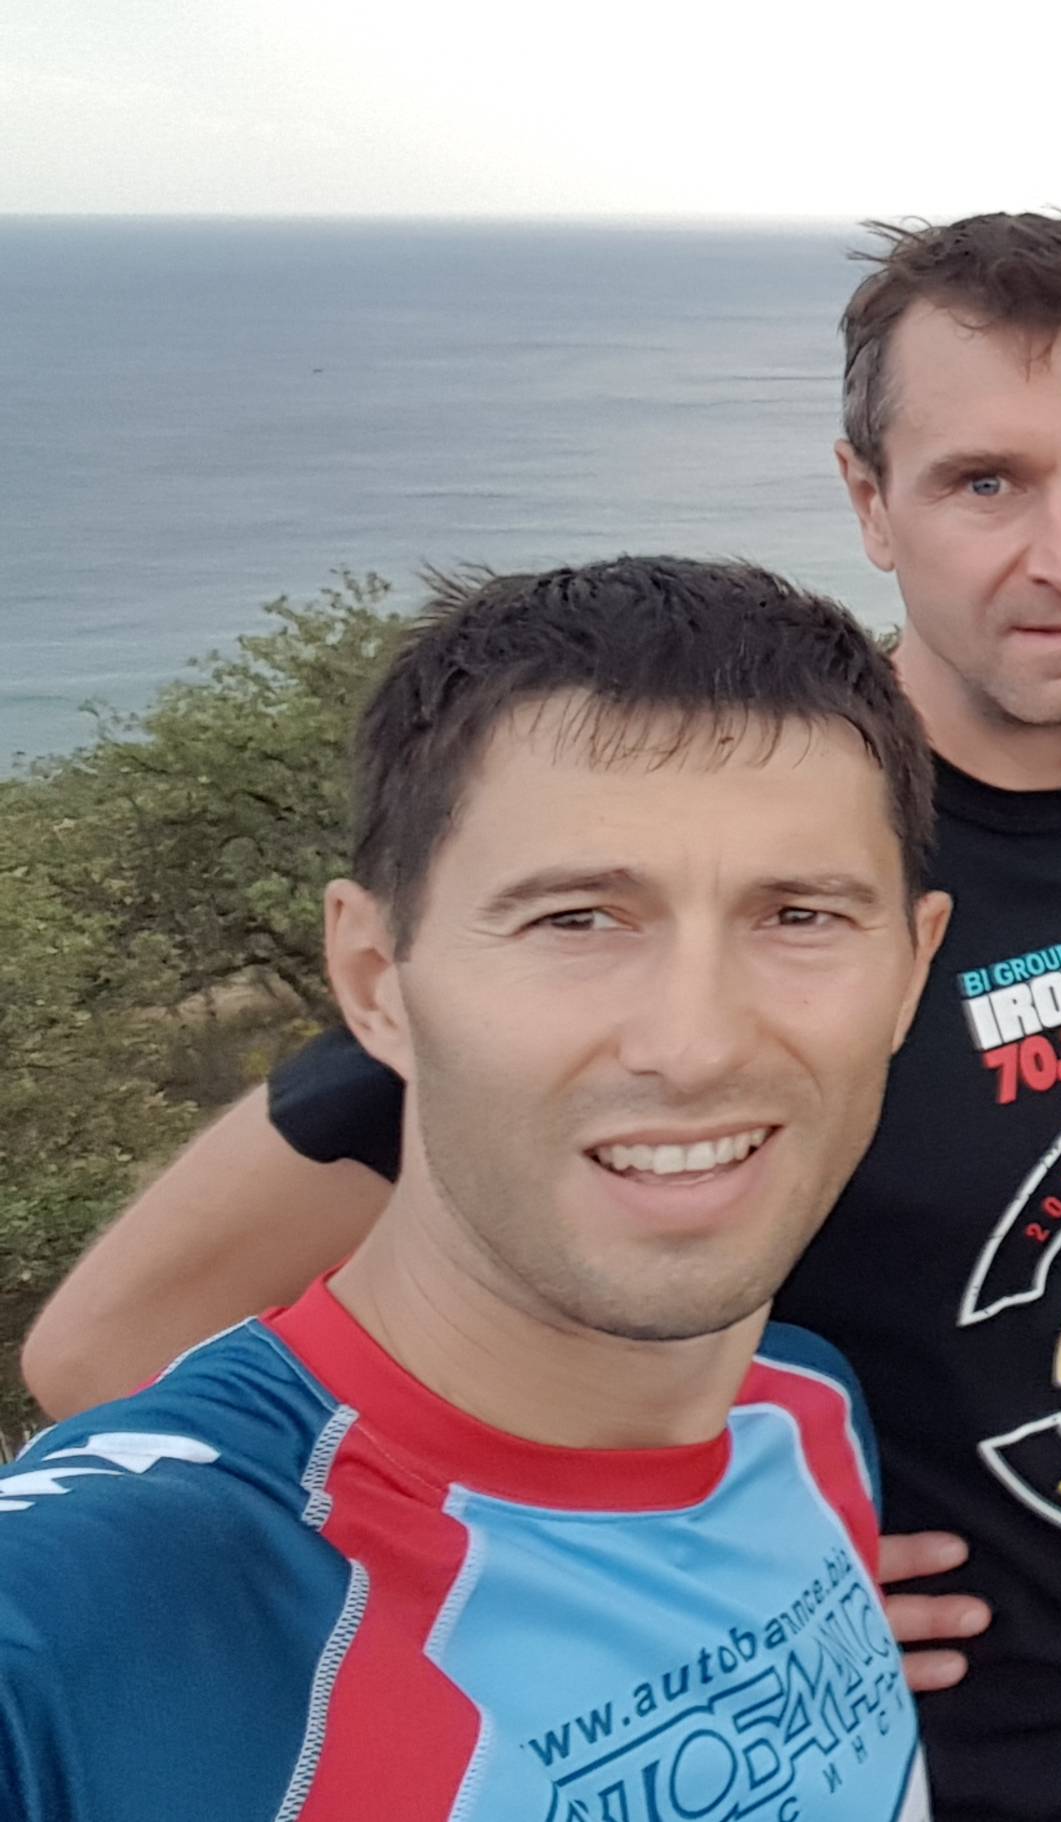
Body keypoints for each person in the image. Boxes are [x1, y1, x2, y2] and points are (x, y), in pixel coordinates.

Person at [20, 213, 1061, 1822]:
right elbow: (106, 1346)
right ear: (869, 501)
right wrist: (685, 1578)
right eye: (985, 482)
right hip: (912, 1748)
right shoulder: (766, 854)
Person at [0, 557, 950, 1819]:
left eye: (800, 916)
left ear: (910, 971)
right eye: (577, 919)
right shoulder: (134, 1600)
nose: (697, 1044)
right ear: (375, 979)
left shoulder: (807, 1406)